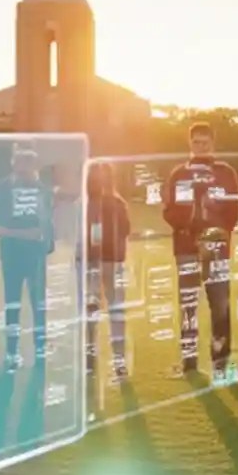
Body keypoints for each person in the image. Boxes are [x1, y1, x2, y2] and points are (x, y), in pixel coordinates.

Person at [161, 121, 238, 385]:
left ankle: (221, 360)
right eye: (196, 142)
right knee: (188, 305)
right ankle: (189, 361)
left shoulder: (225, 173)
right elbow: (169, 210)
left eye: (205, 142)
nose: (200, 146)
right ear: (189, 144)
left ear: (213, 143)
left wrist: (211, 237)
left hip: (216, 248)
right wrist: (188, 227)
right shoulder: (179, 174)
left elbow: (233, 213)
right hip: (185, 248)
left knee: (220, 304)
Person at [0, 147, 54, 371]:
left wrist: (45, 240)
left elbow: (46, 226)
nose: (25, 172)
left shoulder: (42, 190)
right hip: (11, 255)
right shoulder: (2, 189)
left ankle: (39, 347)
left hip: (35, 256)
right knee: (12, 303)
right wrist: (24, 234)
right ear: (14, 165)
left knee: (38, 304)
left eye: (29, 167)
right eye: (21, 165)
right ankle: (11, 351)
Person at [83, 161, 131, 380]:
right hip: (92, 262)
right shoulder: (87, 204)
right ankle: (91, 356)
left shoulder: (116, 203)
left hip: (110, 262)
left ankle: (117, 361)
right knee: (92, 311)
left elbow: (125, 230)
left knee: (114, 311)